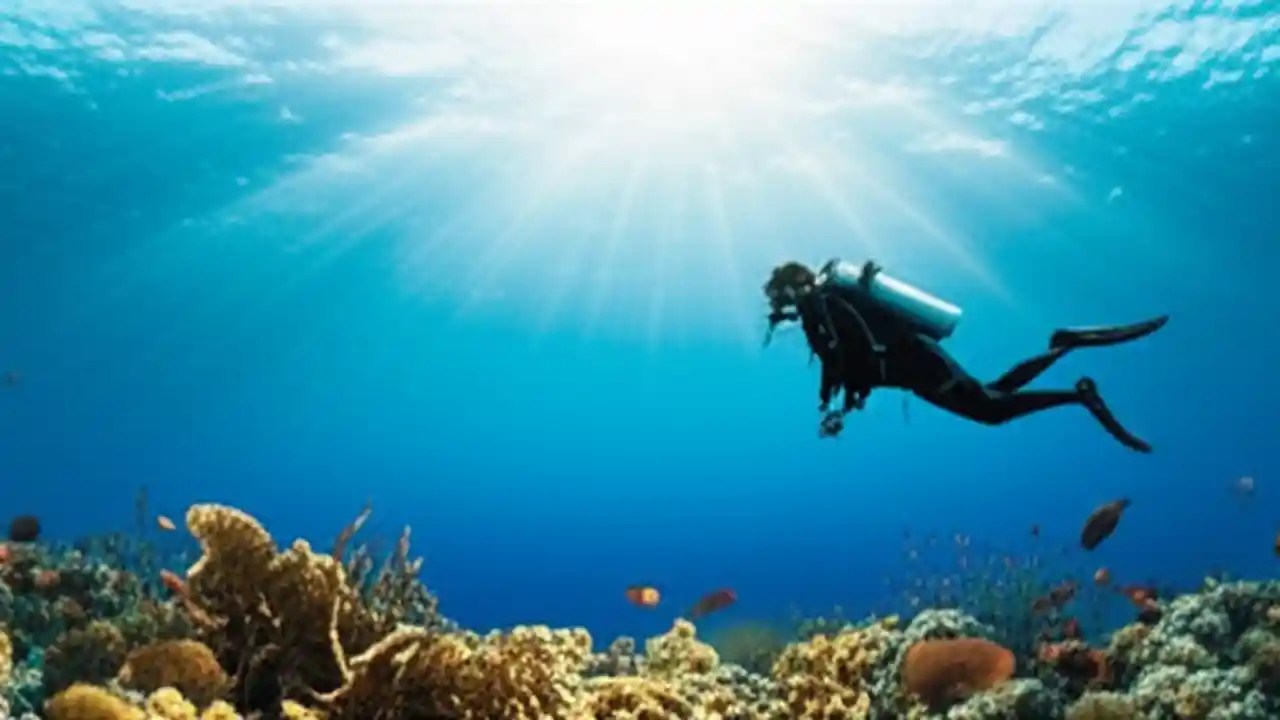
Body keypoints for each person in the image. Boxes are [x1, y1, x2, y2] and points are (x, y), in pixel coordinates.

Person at [763, 258, 1168, 452]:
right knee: (994, 392)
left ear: (792, 287)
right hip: (917, 363)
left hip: (918, 366)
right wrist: (833, 400)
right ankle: (1063, 347)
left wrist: (842, 394)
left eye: (779, 295)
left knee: (991, 410)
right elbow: (843, 356)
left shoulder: (820, 306)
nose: (779, 306)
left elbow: (845, 354)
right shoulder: (825, 307)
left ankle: (1077, 388)